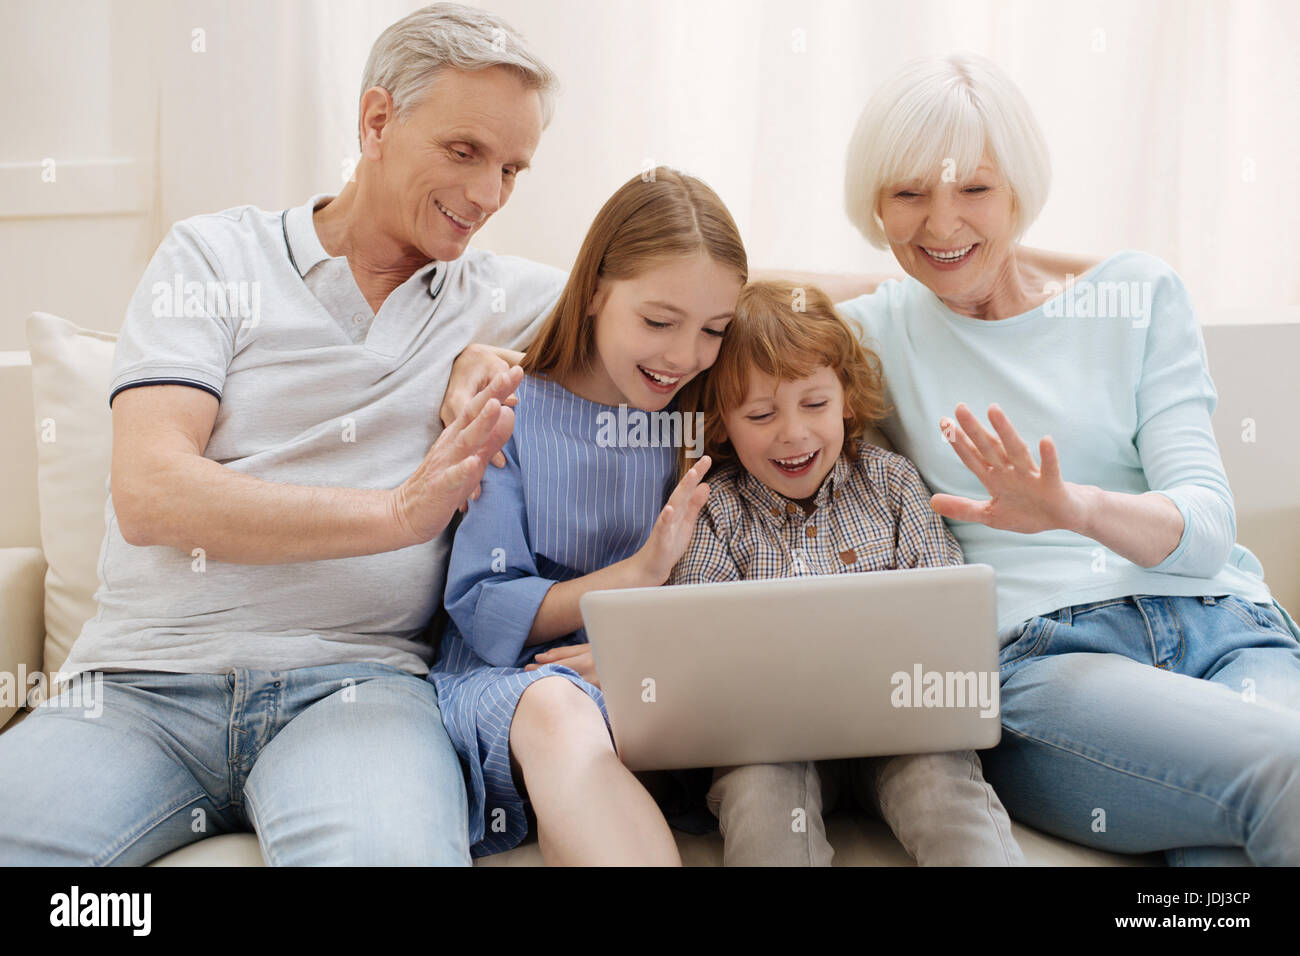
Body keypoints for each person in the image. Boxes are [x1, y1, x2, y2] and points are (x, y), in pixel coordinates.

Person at [0, 3, 564, 866]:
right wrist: (398, 515)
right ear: (377, 120)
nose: (488, 196)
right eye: (464, 152)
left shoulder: (501, 298)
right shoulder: (214, 259)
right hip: (140, 690)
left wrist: (485, 353)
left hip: (360, 692)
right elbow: (151, 492)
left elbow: (726, 300)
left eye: (515, 170)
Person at [800, 52, 1299, 865]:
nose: (941, 224)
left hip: (1233, 631)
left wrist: (1073, 509)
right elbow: (727, 306)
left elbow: (1207, 526)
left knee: (1220, 860)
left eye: (974, 189)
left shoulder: (1138, 295)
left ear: (1020, 189)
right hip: (1055, 659)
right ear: (874, 206)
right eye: (908, 194)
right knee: (1286, 771)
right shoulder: (871, 334)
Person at [428, 168, 746, 864]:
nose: (683, 356)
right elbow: (485, 609)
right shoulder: (511, 412)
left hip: (651, 678)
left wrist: (647, 653)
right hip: (515, 680)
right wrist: (634, 575)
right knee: (556, 709)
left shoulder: (703, 414)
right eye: (658, 322)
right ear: (595, 290)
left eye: (713, 330)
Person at [669, 280, 1024, 866]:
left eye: (815, 404)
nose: (793, 432)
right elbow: (698, 641)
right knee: (758, 795)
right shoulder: (718, 510)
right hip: (772, 740)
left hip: (904, 729)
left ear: (848, 401)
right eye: (761, 413)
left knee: (944, 792)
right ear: (723, 423)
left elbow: (950, 613)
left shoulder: (892, 484)